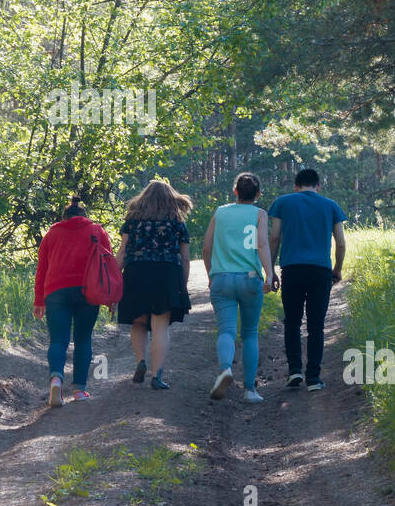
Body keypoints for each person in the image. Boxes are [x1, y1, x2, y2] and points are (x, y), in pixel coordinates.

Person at [267, 168, 347, 391]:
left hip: (292, 268)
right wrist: (337, 269)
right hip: (320, 271)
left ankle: (294, 371)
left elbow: (274, 237)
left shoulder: (283, 202)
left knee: (292, 322)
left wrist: (270, 269)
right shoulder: (330, 205)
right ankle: (313, 378)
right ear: (318, 186)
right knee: (316, 326)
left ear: (296, 185)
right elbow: (341, 243)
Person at [202, 172, 273, 403]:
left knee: (226, 331)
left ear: (235, 192)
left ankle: (225, 369)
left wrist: (210, 274)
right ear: (258, 194)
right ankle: (250, 390)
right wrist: (270, 274)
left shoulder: (220, 213)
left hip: (221, 279)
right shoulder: (260, 214)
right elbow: (262, 244)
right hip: (249, 278)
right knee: (250, 333)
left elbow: (206, 247)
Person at [116, 179, 192, 390]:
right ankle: (157, 376)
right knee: (160, 326)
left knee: (138, 322)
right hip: (166, 273)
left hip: (136, 272)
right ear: (171, 200)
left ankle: (141, 361)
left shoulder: (132, 221)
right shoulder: (177, 223)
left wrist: (113, 279)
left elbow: (122, 252)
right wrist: (182, 285)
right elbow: (185, 258)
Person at [33, 196, 109, 407]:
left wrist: (39, 299)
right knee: (83, 339)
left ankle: (56, 379)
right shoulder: (97, 231)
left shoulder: (52, 233)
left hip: (56, 292)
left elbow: (42, 269)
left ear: (64, 218)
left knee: (58, 340)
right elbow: (107, 264)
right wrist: (109, 297)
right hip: (88, 291)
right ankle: (79, 391)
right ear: (84, 215)